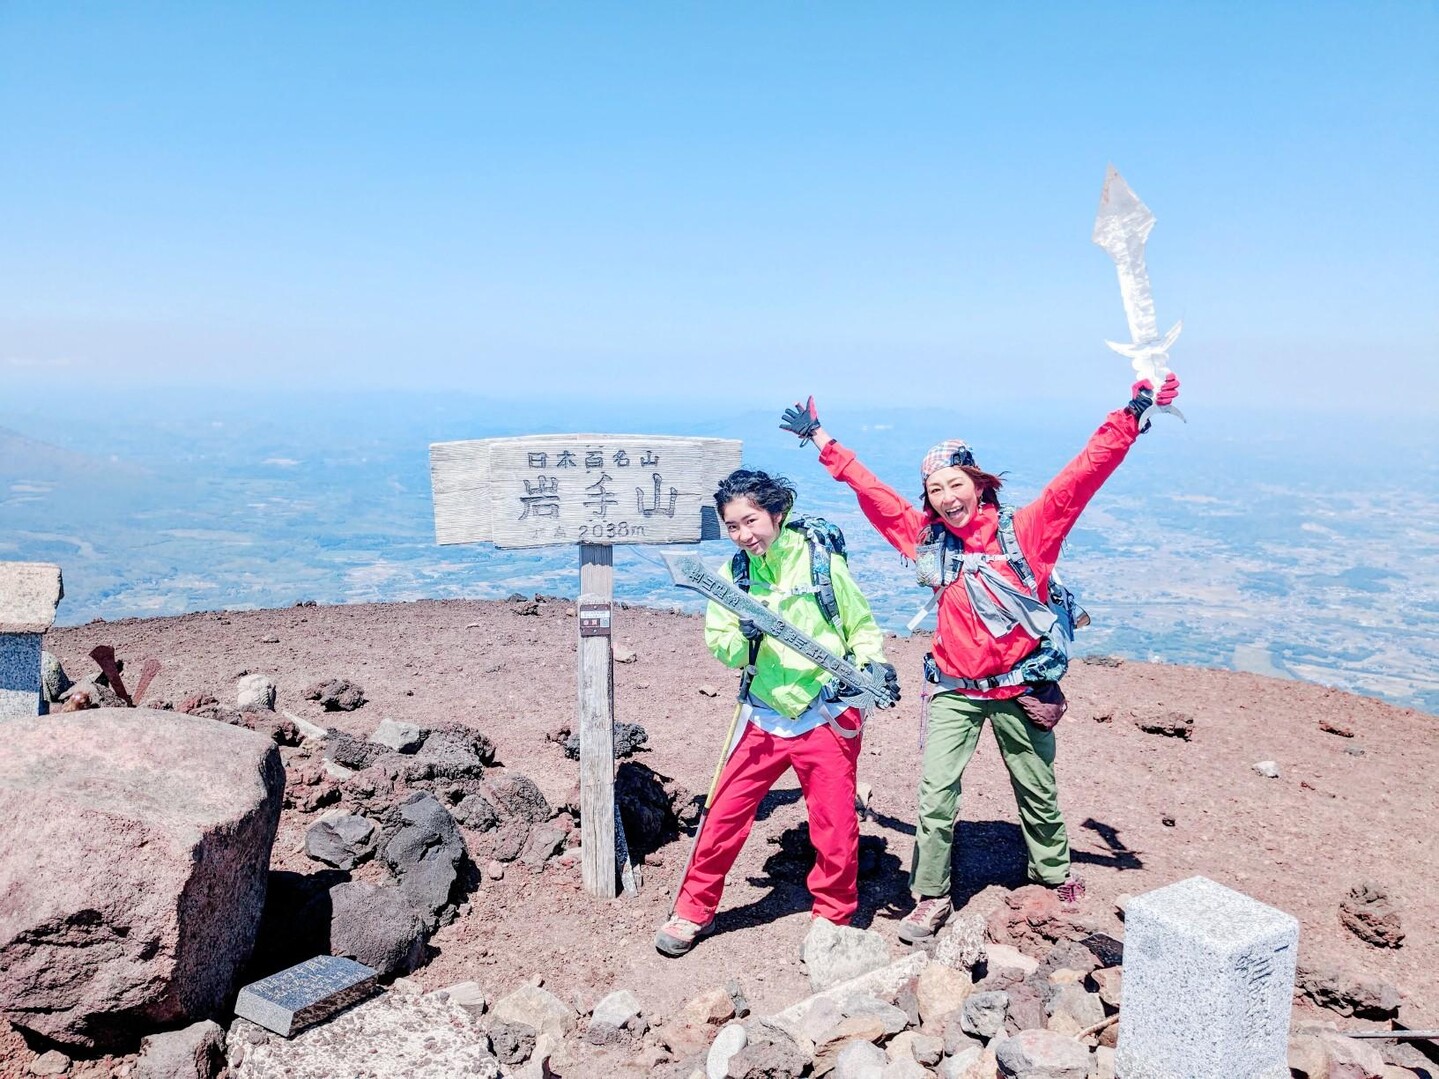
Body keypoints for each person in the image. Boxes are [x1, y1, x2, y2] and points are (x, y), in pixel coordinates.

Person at [779, 374, 1181, 943]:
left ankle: (1052, 874)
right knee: (935, 794)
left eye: (955, 483)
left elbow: (1084, 472)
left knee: (1036, 788)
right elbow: (872, 493)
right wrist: (821, 439)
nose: (947, 497)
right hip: (954, 690)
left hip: (1021, 689)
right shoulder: (928, 539)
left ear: (978, 483)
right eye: (935, 489)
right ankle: (931, 895)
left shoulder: (1029, 532)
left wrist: (1136, 409)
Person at [654, 468, 898, 957]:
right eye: (733, 526)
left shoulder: (819, 564)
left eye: (751, 520)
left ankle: (833, 915)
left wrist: (874, 664)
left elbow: (860, 625)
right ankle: (694, 909)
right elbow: (720, 644)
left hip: (825, 713)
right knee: (723, 814)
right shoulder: (732, 578)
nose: (745, 535)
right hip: (764, 715)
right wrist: (745, 638)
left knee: (833, 822)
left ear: (776, 514)